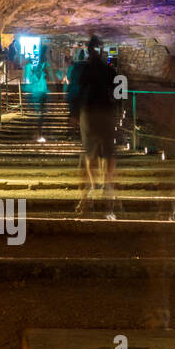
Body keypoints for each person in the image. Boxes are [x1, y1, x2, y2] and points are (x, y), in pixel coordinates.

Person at [76, 35, 119, 217]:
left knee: (91, 153)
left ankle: (95, 189)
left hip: (90, 112)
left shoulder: (83, 69)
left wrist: (74, 112)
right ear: (100, 50)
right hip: (104, 112)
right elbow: (118, 91)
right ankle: (106, 189)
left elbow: (76, 91)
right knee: (107, 153)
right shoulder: (108, 70)